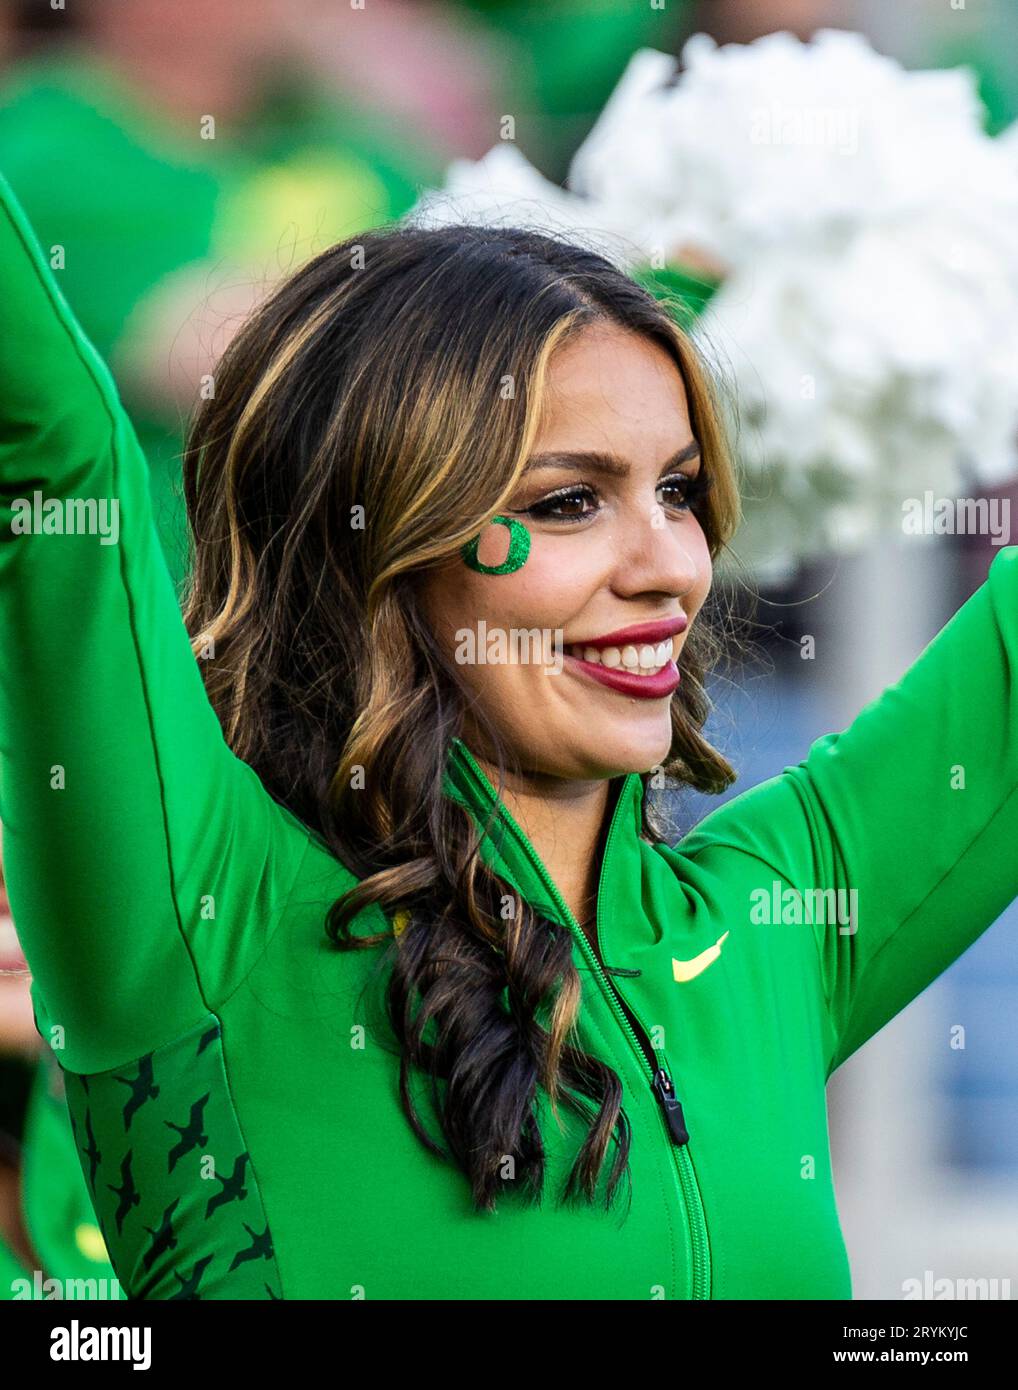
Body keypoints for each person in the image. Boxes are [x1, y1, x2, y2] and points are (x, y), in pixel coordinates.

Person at [1, 168, 1016, 1301]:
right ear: (376, 547)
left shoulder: (776, 921)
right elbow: (47, 448)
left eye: (677, 491)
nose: (671, 566)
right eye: (566, 502)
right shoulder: (207, 919)